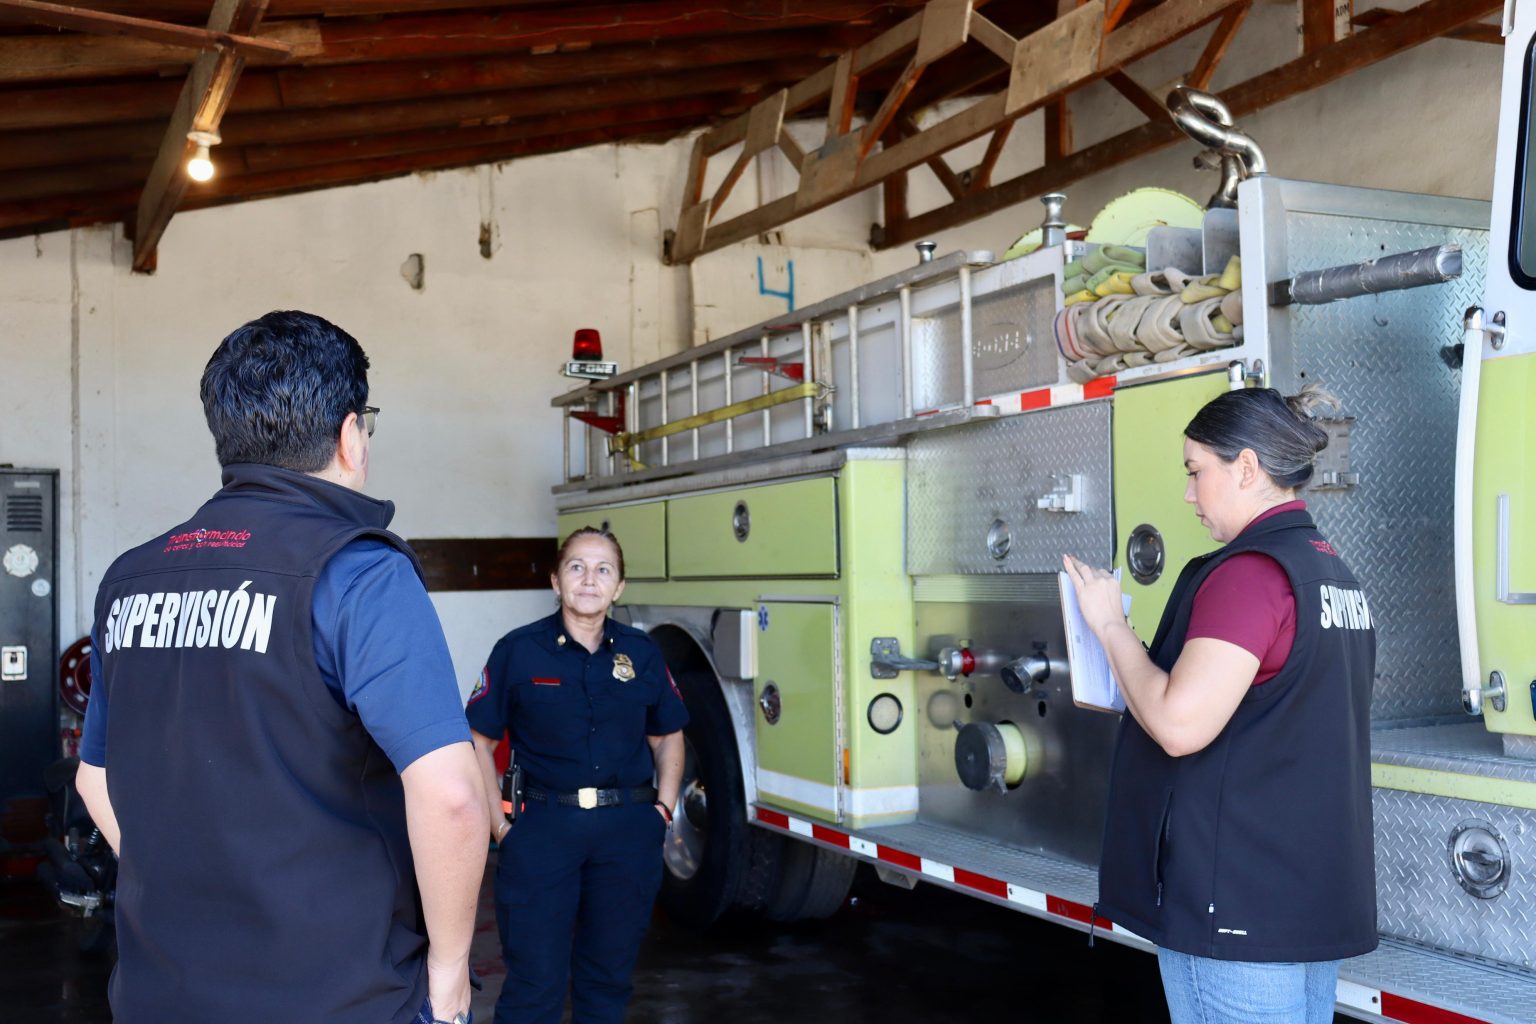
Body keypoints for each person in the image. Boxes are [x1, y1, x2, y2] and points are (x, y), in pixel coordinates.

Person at [75, 311, 488, 1024]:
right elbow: (451, 796)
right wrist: (449, 973)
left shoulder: (130, 578)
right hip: (337, 995)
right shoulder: (359, 572)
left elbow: (94, 777)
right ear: (351, 435)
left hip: (161, 991)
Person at [1064, 386, 1376, 1024]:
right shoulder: (1334, 574)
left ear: (1248, 468)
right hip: (1304, 903)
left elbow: (1180, 725)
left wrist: (1108, 628)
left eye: (1194, 470)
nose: (1188, 493)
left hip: (1233, 911)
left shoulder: (1249, 576)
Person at [467, 526, 687, 1024]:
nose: (590, 579)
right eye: (577, 567)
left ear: (619, 587)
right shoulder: (518, 651)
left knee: (606, 983)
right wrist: (501, 830)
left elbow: (668, 736)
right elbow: (477, 742)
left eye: (603, 569)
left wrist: (663, 811)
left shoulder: (643, 654)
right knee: (533, 987)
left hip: (627, 833)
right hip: (543, 831)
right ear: (555, 579)